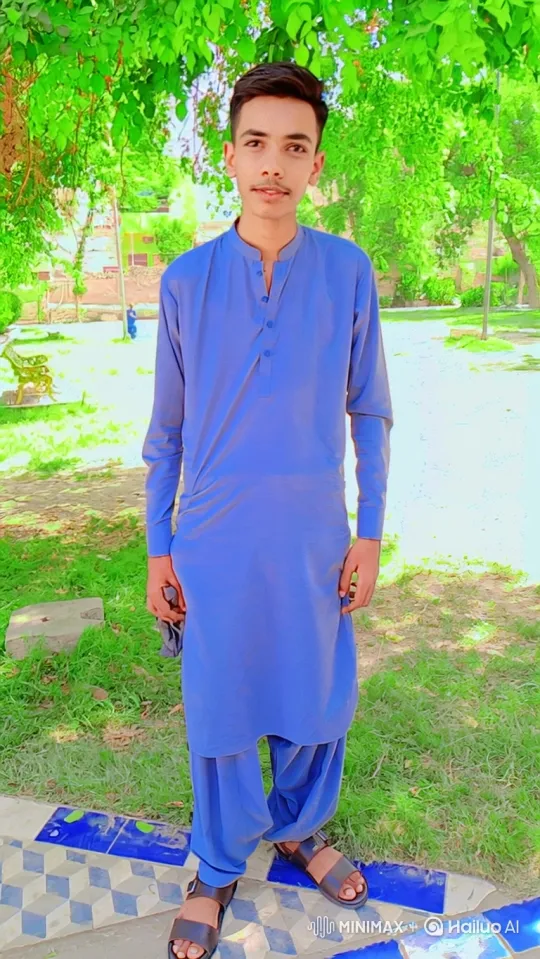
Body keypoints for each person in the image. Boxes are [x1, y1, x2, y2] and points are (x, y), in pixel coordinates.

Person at [142, 61, 393, 959]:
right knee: (218, 705)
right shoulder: (186, 280)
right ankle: (214, 865)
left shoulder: (348, 272)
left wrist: (368, 533)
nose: (274, 165)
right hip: (212, 537)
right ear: (230, 155)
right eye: (258, 144)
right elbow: (165, 432)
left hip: (314, 535)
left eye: (295, 146)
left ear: (316, 163)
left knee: (314, 693)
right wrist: (157, 547)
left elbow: (371, 407)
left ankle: (299, 829)